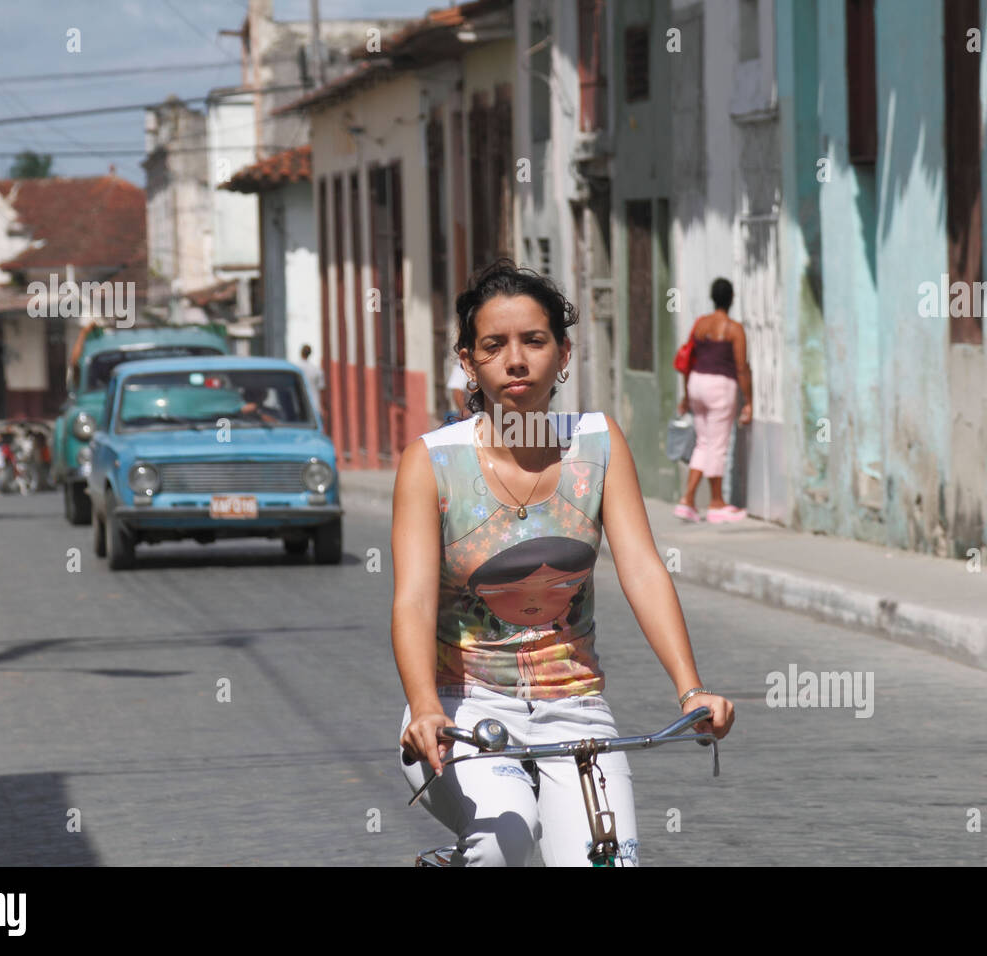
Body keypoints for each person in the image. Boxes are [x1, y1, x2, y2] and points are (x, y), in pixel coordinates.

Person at [392, 260, 736, 867]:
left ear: (564, 352)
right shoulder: (432, 463)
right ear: (469, 362)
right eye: (494, 346)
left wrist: (692, 688)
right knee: (509, 835)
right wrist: (424, 706)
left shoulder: (598, 444)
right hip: (463, 708)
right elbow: (415, 598)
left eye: (535, 341)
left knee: (608, 859)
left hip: (575, 708)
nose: (516, 360)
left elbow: (643, 570)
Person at [675, 277, 752, 524]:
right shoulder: (733, 329)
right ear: (731, 298)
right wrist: (748, 400)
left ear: (712, 297)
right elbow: (741, 368)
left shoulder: (701, 325)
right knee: (717, 445)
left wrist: (686, 396)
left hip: (696, 383)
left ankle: (687, 500)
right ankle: (716, 502)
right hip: (720, 386)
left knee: (703, 443)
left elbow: (689, 360)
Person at [295, 344, 325, 428]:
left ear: (301, 353)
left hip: (299, 405)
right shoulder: (316, 370)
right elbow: (321, 389)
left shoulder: (296, 368)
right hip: (314, 405)